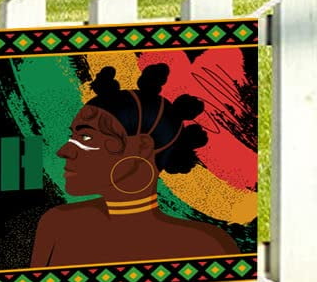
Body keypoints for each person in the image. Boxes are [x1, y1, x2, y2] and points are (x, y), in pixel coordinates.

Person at [30, 60, 237, 268]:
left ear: (141, 147)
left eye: (85, 138)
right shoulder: (58, 225)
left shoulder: (207, 247)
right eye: (72, 137)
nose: (63, 151)